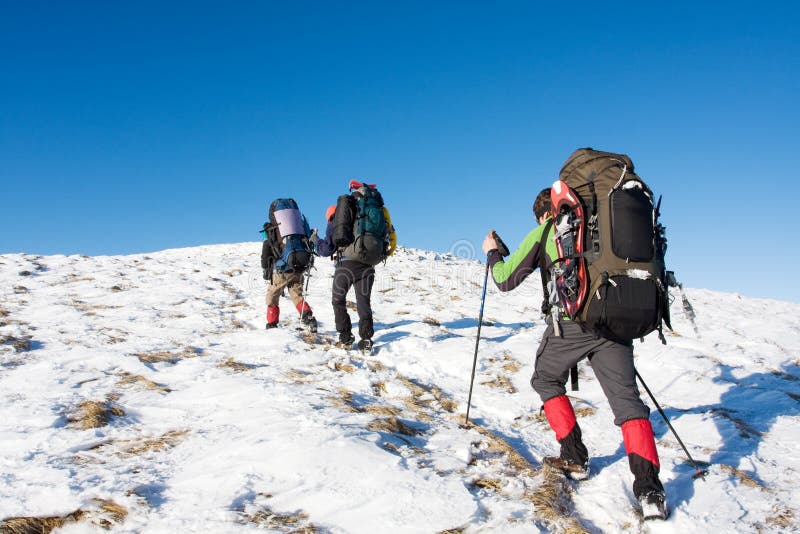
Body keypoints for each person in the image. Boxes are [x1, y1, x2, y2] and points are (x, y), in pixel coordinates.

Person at [481, 187, 668, 520]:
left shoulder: (547, 229)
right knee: (628, 404)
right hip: (617, 322)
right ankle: (651, 492)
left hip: (571, 325)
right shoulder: (603, 229)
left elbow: (504, 280)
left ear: (545, 213)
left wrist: (493, 252)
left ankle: (575, 458)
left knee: (545, 379)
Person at [315, 183, 396, 352]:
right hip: (368, 263)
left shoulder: (339, 216)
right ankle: (366, 339)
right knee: (363, 303)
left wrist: (315, 241)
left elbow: (327, 249)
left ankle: (345, 337)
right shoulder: (375, 211)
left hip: (346, 264)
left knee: (338, 300)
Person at [261, 200, 317, 332]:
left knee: (272, 296)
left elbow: (266, 253)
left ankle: (272, 323)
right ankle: (308, 317)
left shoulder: (273, 229)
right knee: (296, 294)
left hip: (283, 268)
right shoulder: (298, 227)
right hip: (299, 265)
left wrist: (266, 269)